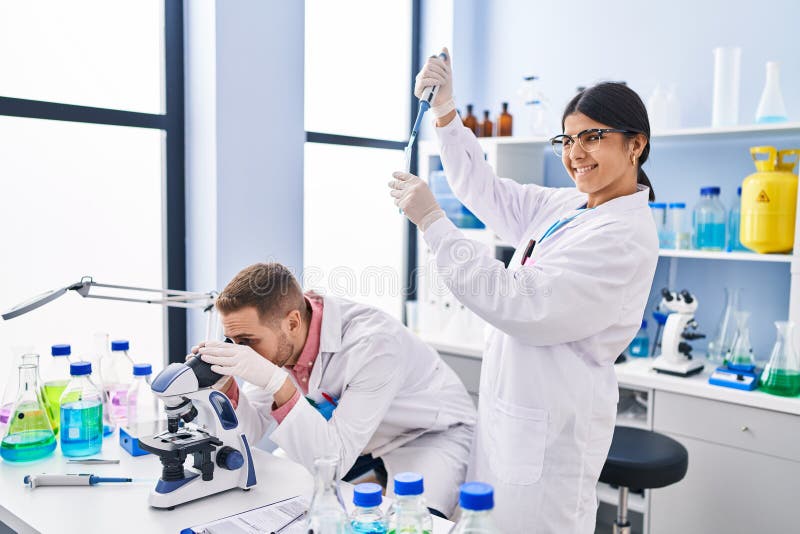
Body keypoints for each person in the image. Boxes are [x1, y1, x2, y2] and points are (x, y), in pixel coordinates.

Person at [388, 48, 659, 532]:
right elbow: (484, 190)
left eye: (592, 137)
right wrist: (446, 113)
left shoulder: (623, 239)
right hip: (512, 417)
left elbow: (521, 302)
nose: (575, 153)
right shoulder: (570, 207)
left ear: (635, 145)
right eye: (568, 139)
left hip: (552, 436)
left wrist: (432, 221)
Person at [195, 262, 476, 516]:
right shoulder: (275, 342)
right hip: (356, 438)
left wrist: (277, 383)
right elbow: (252, 430)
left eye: (245, 341)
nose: (241, 351)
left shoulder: (374, 344)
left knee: (411, 521)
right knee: (283, 493)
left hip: (427, 435)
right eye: (231, 341)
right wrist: (227, 388)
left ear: (292, 322)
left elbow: (335, 462)